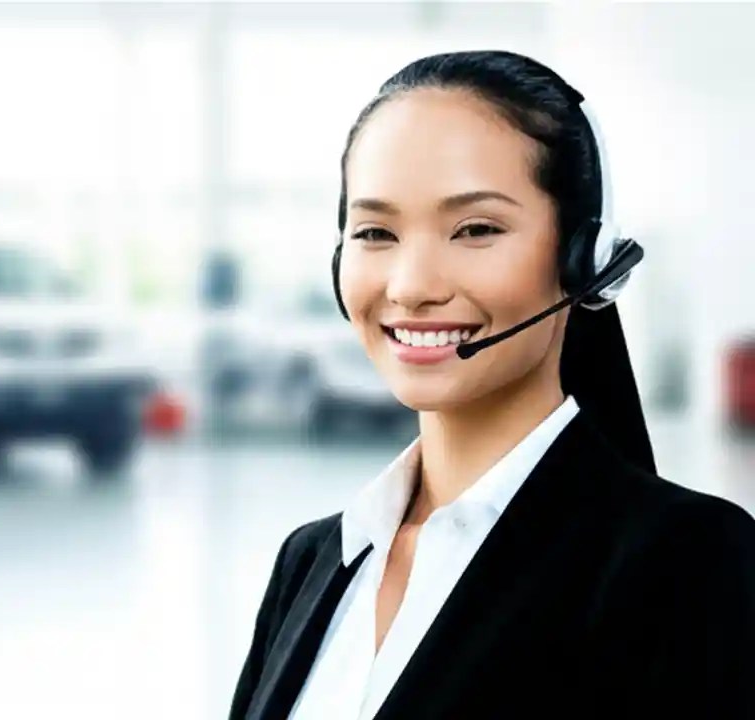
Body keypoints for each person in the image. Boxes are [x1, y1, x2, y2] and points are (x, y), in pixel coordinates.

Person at [229, 50, 755, 720]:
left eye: (475, 229)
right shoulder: (313, 561)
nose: (412, 286)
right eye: (375, 232)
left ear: (585, 257)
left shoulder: (687, 560)